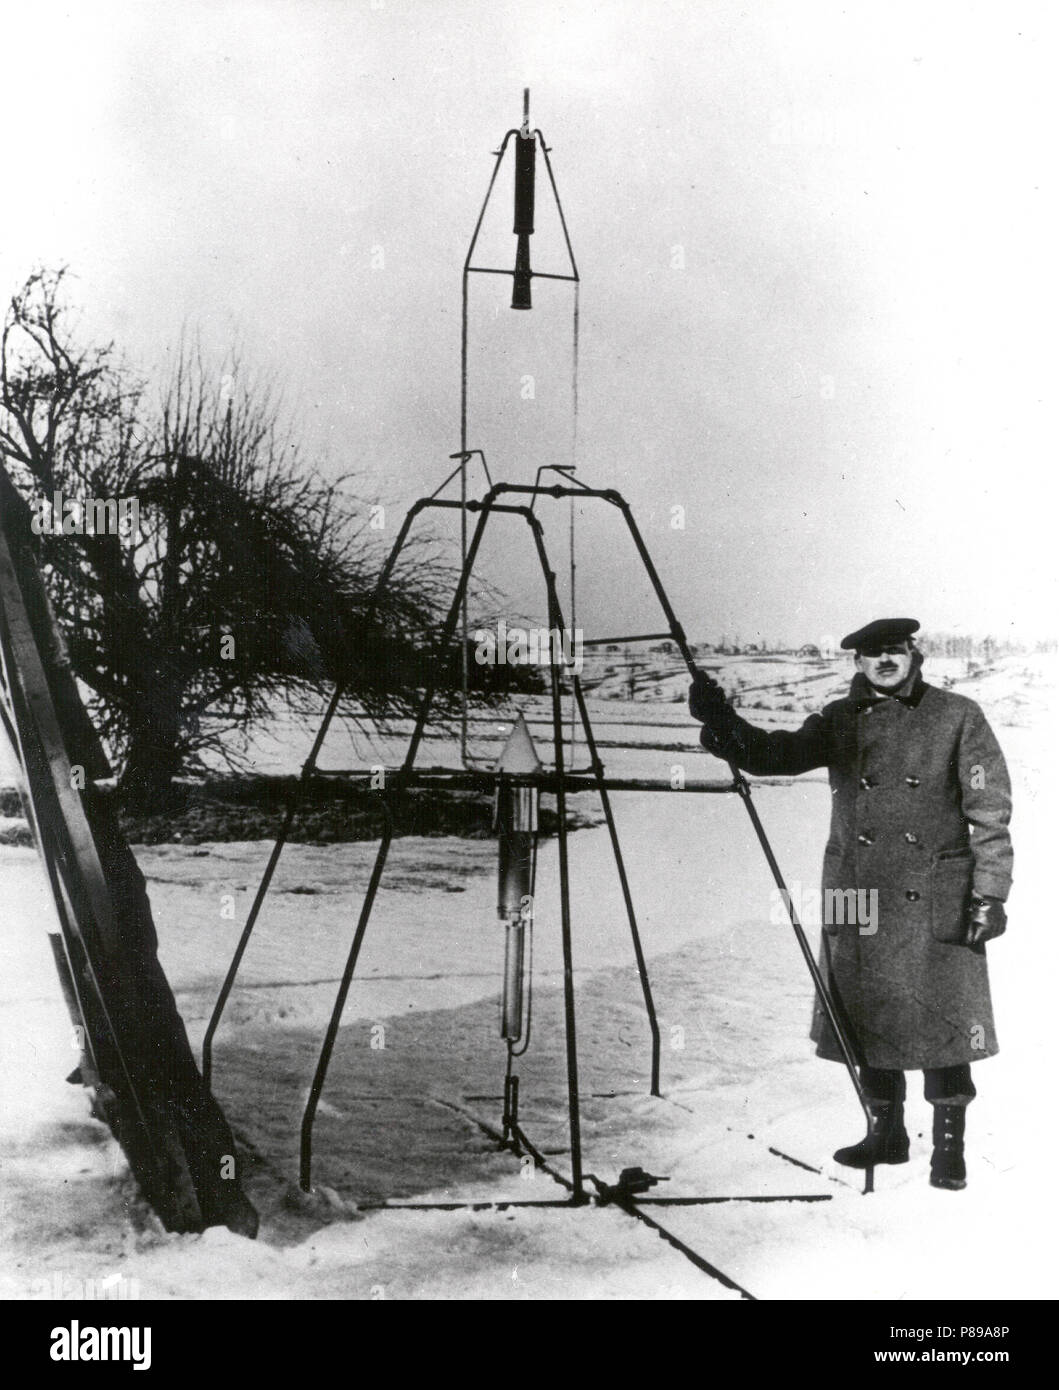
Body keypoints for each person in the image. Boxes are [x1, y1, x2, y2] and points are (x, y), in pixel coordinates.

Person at [688, 618, 1012, 1190]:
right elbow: (774, 755)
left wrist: (989, 894)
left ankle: (948, 1150)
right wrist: (721, 720)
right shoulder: (841, 719)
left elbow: (990, 811)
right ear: (857, 664)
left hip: (934, 891)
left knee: (943, 1019)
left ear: (915, 654)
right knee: (866, 1010)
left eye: (894, 650)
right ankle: (884, 1134)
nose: (884, 661)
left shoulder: (958, 715)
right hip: (858, 889)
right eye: (871, 654)